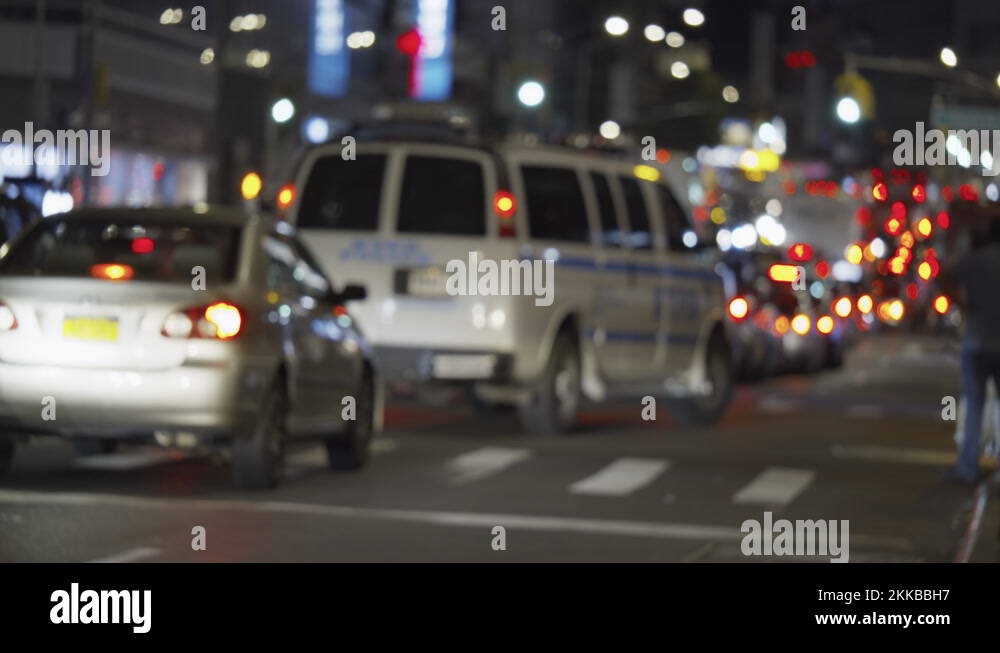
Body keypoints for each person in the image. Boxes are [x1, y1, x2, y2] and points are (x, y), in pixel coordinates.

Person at [944, 217, 1000, 485]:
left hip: (976, 341)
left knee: (974, 406)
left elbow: (943, 275)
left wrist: (962, 303)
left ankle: (968, 467)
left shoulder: (975, 260)